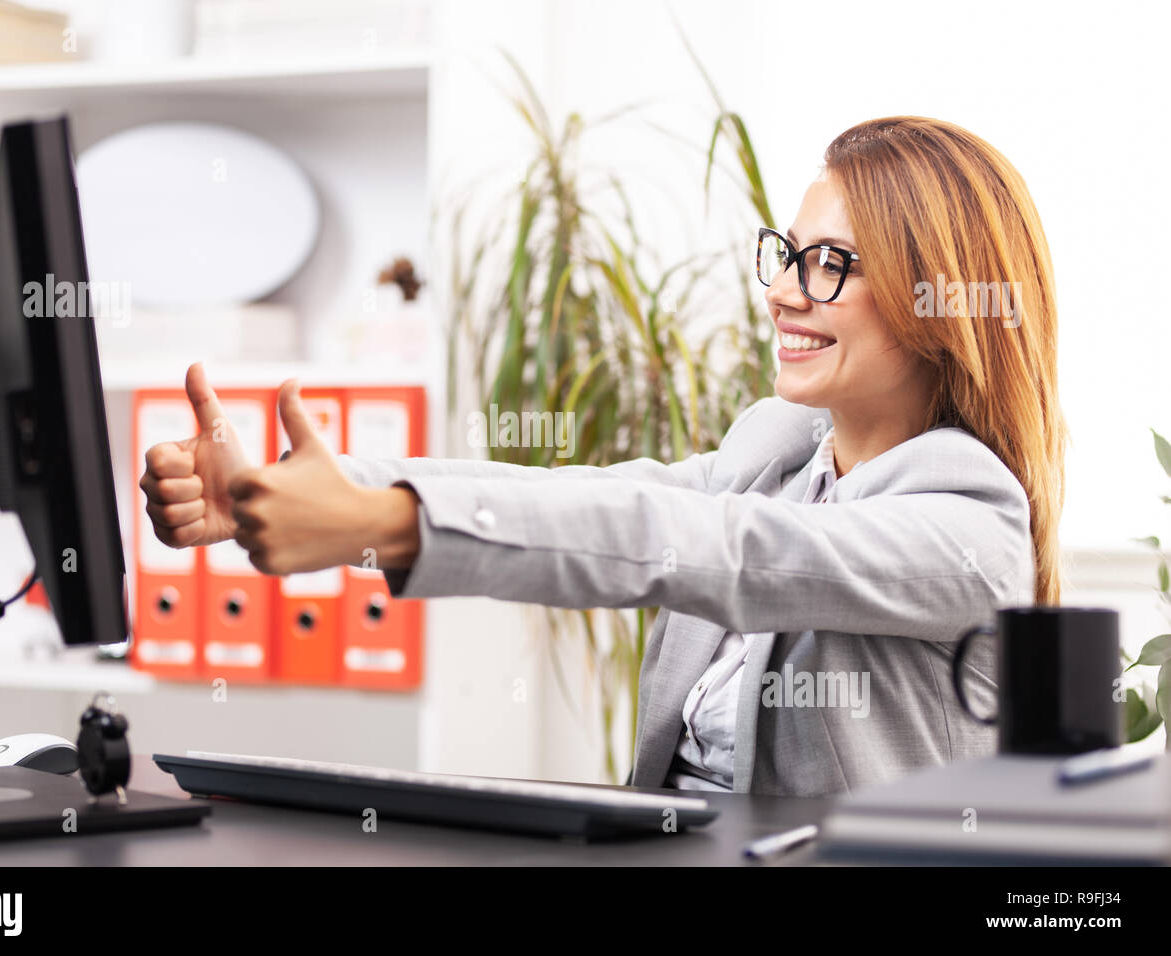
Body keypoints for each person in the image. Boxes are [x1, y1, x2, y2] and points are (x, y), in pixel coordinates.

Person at [139, 116, 1062, 795]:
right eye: (786, 254)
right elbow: (593, 495)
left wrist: (387, 525)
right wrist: (320, 487)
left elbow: (707, 547)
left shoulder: (972, 520)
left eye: (831, 263)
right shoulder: (779, 453)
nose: (784, 291)